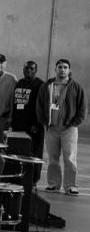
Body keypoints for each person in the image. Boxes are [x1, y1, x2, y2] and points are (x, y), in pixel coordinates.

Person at [37, 58, 85, 196]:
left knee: (69, 158)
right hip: (51, 128)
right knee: (53, 157)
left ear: (69, 70)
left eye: (65, 67)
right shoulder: (47, 86)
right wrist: (43, 121)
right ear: (55, 69)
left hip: (69, 128)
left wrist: (75, 123)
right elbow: (39, 104)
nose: (62, 69)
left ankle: (70, 186)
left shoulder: (76, 87)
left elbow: (82, 107)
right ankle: (53, 184)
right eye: (60, 67)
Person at [10, 60, 45, 163]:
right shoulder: (20, 83)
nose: (28, 70)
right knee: (19, 151)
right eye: (26, 68)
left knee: (33, 153)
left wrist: (37, 124)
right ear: (23, 70)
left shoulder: (41, 85)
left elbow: (42, 107)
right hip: (19, 126)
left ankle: (33, 177)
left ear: (36, 70)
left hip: (34, 127)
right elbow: (16, 103)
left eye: (31, 68)